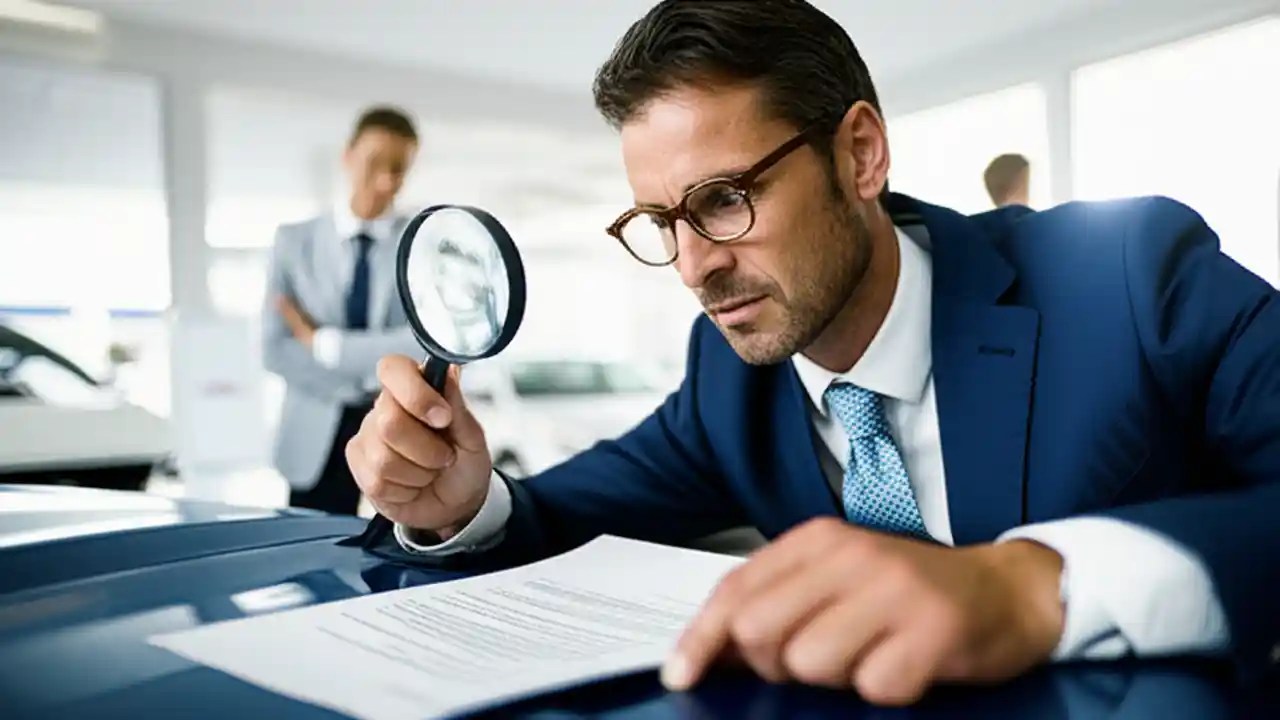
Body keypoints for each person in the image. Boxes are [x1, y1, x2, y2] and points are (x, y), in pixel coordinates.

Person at [346, 0, 1280, 707]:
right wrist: (459, 501)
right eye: (662, 222)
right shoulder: (727, 377)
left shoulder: (1124, 274)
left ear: (862, 154)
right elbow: (550, 517)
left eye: (721, 200)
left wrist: (1033, 585)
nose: (695, 267)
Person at [262, 105, 423, 515]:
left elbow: (420, 342)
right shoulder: (293, 242)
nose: (386, 181)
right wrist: (361, 382)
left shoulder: (419, 244)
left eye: (398, 169)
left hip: (395, 433)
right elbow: (274, 348)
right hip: (314, 430)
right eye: (374, 164)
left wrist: (324, 344)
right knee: (309, 549)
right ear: (348, 157)